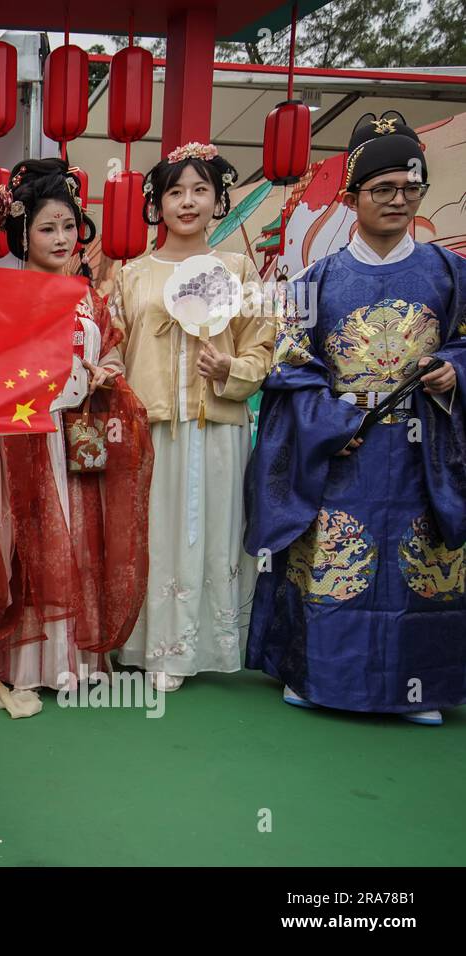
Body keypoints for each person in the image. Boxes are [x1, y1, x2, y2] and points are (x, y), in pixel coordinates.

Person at [246, 111, 466, 725]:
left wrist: (454, 371)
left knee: (418, 568)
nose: (398, 200)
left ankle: (413, 690)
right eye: (383, 188)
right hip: (343, 450)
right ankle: (315, 677)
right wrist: (327, 426)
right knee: (333, 566)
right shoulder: (316, 282)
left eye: (410, 187)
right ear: (352, 198)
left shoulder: (452, 275)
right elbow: (291, 366)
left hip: (424, 452)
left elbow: (465, 345)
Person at [0, 159, 152, 707]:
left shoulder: (92, 296)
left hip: (79, 434)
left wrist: (103, 373)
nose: (62, 238)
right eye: (47, 228)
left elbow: (111, 351)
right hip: (24, 438)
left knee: (82, 537)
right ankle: (26, 658)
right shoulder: (1, 294)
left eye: (69, 226)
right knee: (29, 537)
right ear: (23, 233)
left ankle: (77, 659)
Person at [111, 143, 274, 691]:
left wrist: (231, 366)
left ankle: (208, 643)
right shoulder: (130, 275)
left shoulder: (240, 269)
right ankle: (156, 645)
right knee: (154, 531)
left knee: (212, 528)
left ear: (218, 199)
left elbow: (264, 347)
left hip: (217, 425)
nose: (187, 201)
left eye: (200, 190)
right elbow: (115, 347)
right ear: (156, 204)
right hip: (151, 424)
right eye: (174, 191)